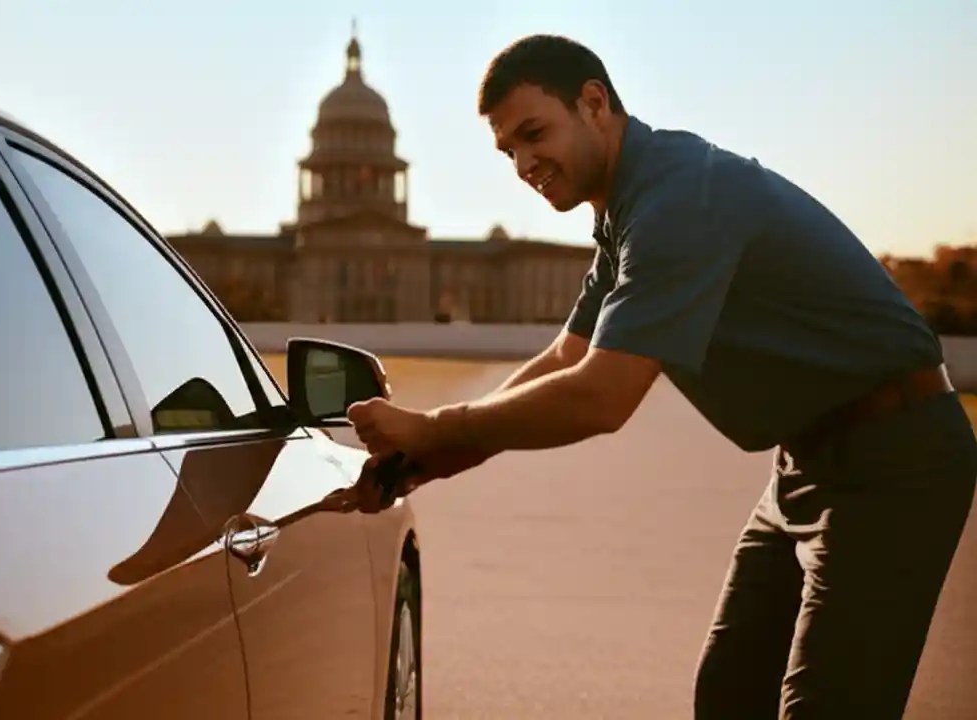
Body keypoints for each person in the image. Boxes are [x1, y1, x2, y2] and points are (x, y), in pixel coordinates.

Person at [346, 33, 977, 720]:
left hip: (894, 460)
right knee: (729, 697)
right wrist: (425, 457)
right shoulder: (626, 212)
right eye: (509, 152)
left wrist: (438, 424)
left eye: (534, 134)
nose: (525, 164)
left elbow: (602, 394)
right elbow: (564, 361)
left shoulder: (677, 198)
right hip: (804, 462)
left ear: (594, 103)